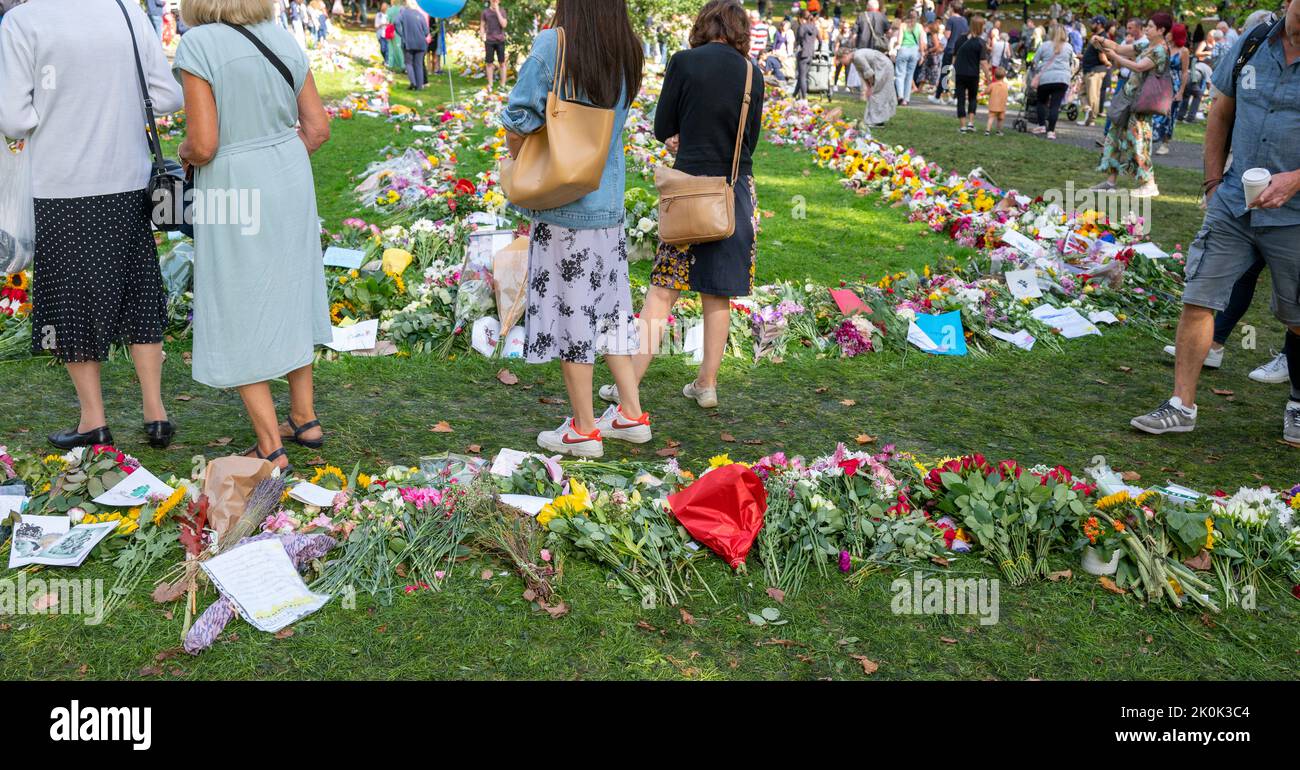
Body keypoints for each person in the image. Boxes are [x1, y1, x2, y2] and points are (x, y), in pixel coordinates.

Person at [0, 0, 181, 450]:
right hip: (127, 175)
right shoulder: (126, 11)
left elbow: (14, 118)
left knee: (70, 300)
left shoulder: (24, 20)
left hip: (61, 181)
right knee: (139, 291)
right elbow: (167, 96)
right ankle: (155, 413)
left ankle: (93, 419)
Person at [1132, 1, 1300, 445]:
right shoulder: (1252, 42)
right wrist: (1212, 184)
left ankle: (1298, 403)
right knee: (1199, 296)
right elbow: (1221, 112)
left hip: (1296, 215)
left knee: (1296, 314)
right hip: (1233, 203)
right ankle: (1180, 405)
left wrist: (1295, 180)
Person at [173, 0, 332, 469]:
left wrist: (182, 150)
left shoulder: (197, 44)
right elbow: (318, 128)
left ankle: (270, 444)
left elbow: (203, 143)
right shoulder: (285, 38)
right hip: (289, 173)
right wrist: (275, 156)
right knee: (293, 288)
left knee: (235, 298)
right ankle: (304, 417)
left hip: (231, 183)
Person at [501, 0, 645, 458]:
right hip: (608, 205)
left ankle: (584, 428)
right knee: (611, 312)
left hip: (565, 208)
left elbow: (519, 118)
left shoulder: (554, 46)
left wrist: (518, 151)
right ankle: (631, 414)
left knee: (572, 316)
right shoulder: (628, 49)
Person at [621, 0, 764, 419]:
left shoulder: (683, 62)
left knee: (664, 290)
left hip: (687, 192)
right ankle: (707, 384)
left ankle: (628, 383)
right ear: (740, 31)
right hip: (734, 193)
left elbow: (663, 125)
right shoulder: (753, 73)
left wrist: (679, 138)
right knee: (717, 292)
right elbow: (749, 141)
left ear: (703, 26)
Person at [1093, 14, 1168, 197]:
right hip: (1127, 98)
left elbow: (1140, 67)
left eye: (1150, 26)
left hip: (1141, 103)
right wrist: (1102, 40)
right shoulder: (1146, 45)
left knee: (1138, 142)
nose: (1147, 29)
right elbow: (1119, 47)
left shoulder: (1160, 50)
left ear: (1161, 30)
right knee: (1114, 138)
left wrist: (1115, 57)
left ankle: (1149, 184)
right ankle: (1111, 182)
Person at [1029, 23, 1073, 139]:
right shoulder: (1068, 47)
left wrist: (1035, 70)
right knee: (1055, 105)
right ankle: (1051, 131)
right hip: (1062, 79)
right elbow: (1071, 62)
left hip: (1046, 78)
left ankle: (1042, 125)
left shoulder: (1044, 45)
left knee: (1041, 102)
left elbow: (1034, 61)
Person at [951, 13, 988, 133]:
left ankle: (962, 126)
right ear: (980, 27)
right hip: (973, 74)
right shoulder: (981, 42)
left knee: (960, 98)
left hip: (960, 73)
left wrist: (952, 74)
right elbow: (983, 62)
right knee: (972, 98)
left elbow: (954, 58)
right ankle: (971, 123)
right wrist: (989, 77)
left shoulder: (960, 39)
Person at [844, 45, 895, 125]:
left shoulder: (857, 57)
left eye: (841, 60)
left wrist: (871, 87)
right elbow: (863, 74)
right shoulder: (855, 58)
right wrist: (868, 87)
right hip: (881, 67)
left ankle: (877, 121)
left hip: (883, 66)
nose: (842, 63)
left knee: (877, 94)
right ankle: (877, 119)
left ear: (845, 56)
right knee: (876, 94)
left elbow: (869, 73)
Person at [1079, 15, 1110, 126]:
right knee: (1081, 92)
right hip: (1089, 69)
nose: (1091, 25)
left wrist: (1108, 63)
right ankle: (1087, 110)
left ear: (1099, 24)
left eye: (1093, 23)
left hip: (1095, 71)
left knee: (1093, 96)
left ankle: (1091, 120)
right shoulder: (1096, 36)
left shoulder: (1101, 38)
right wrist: (1083, 56)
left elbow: (1102, 55)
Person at [933, 0, 966, 103]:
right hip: (960, 49)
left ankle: (938, 96)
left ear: (952, 8)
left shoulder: (951, 19)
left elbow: (947, 35)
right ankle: (954, 96)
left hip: (951, 48)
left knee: (945, 72)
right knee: (955, 73)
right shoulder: (964, 20)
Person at [890, 9, 925, 104]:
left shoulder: (903, 25)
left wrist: (894, 47)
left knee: (900, 74)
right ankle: (906, 99)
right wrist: (922, 54)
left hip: (904, 50)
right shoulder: (920, 27)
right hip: (914, 51)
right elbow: (921, 42)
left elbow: (899, 41)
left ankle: (900, 96)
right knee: (909, 76)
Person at [394, 0, 429, 90]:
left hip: (408, 42)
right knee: (418, 64)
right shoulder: (420, 15)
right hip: (421, 42)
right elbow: (426, 31)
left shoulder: (403, 13)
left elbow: (396, 22)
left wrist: (401, 34)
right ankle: (420, 86)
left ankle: (413, 82)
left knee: (408, 63)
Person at [482, 0, 508, 91]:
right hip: (489, 40)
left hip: (500, 40)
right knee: (489, 63)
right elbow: (482, 25)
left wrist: (497, 10)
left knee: (502, 63)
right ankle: (490, 84)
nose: (494, 1)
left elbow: (504, 24)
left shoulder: (502, 11)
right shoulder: (485, 12)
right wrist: (482, 35)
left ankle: (503, 84)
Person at [794, 9, 817, 99]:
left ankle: (804, 97)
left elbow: (798, 39)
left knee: (802, 76)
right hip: (811, 54)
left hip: (803, 53)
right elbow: (820, 40)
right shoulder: (814, 28)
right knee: (803, 75)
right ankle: (795, 94)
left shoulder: (802, 27)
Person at [984, 64, 1007, 134]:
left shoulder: (992, 85)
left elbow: (986, 92)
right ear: (1004, 77)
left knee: (991, 118)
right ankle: (998, 131)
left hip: (993, 105)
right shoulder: (1005, 85)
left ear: (994, 76)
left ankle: (987, 130)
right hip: (1002, 106)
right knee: (1000, 119)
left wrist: (987, 88)